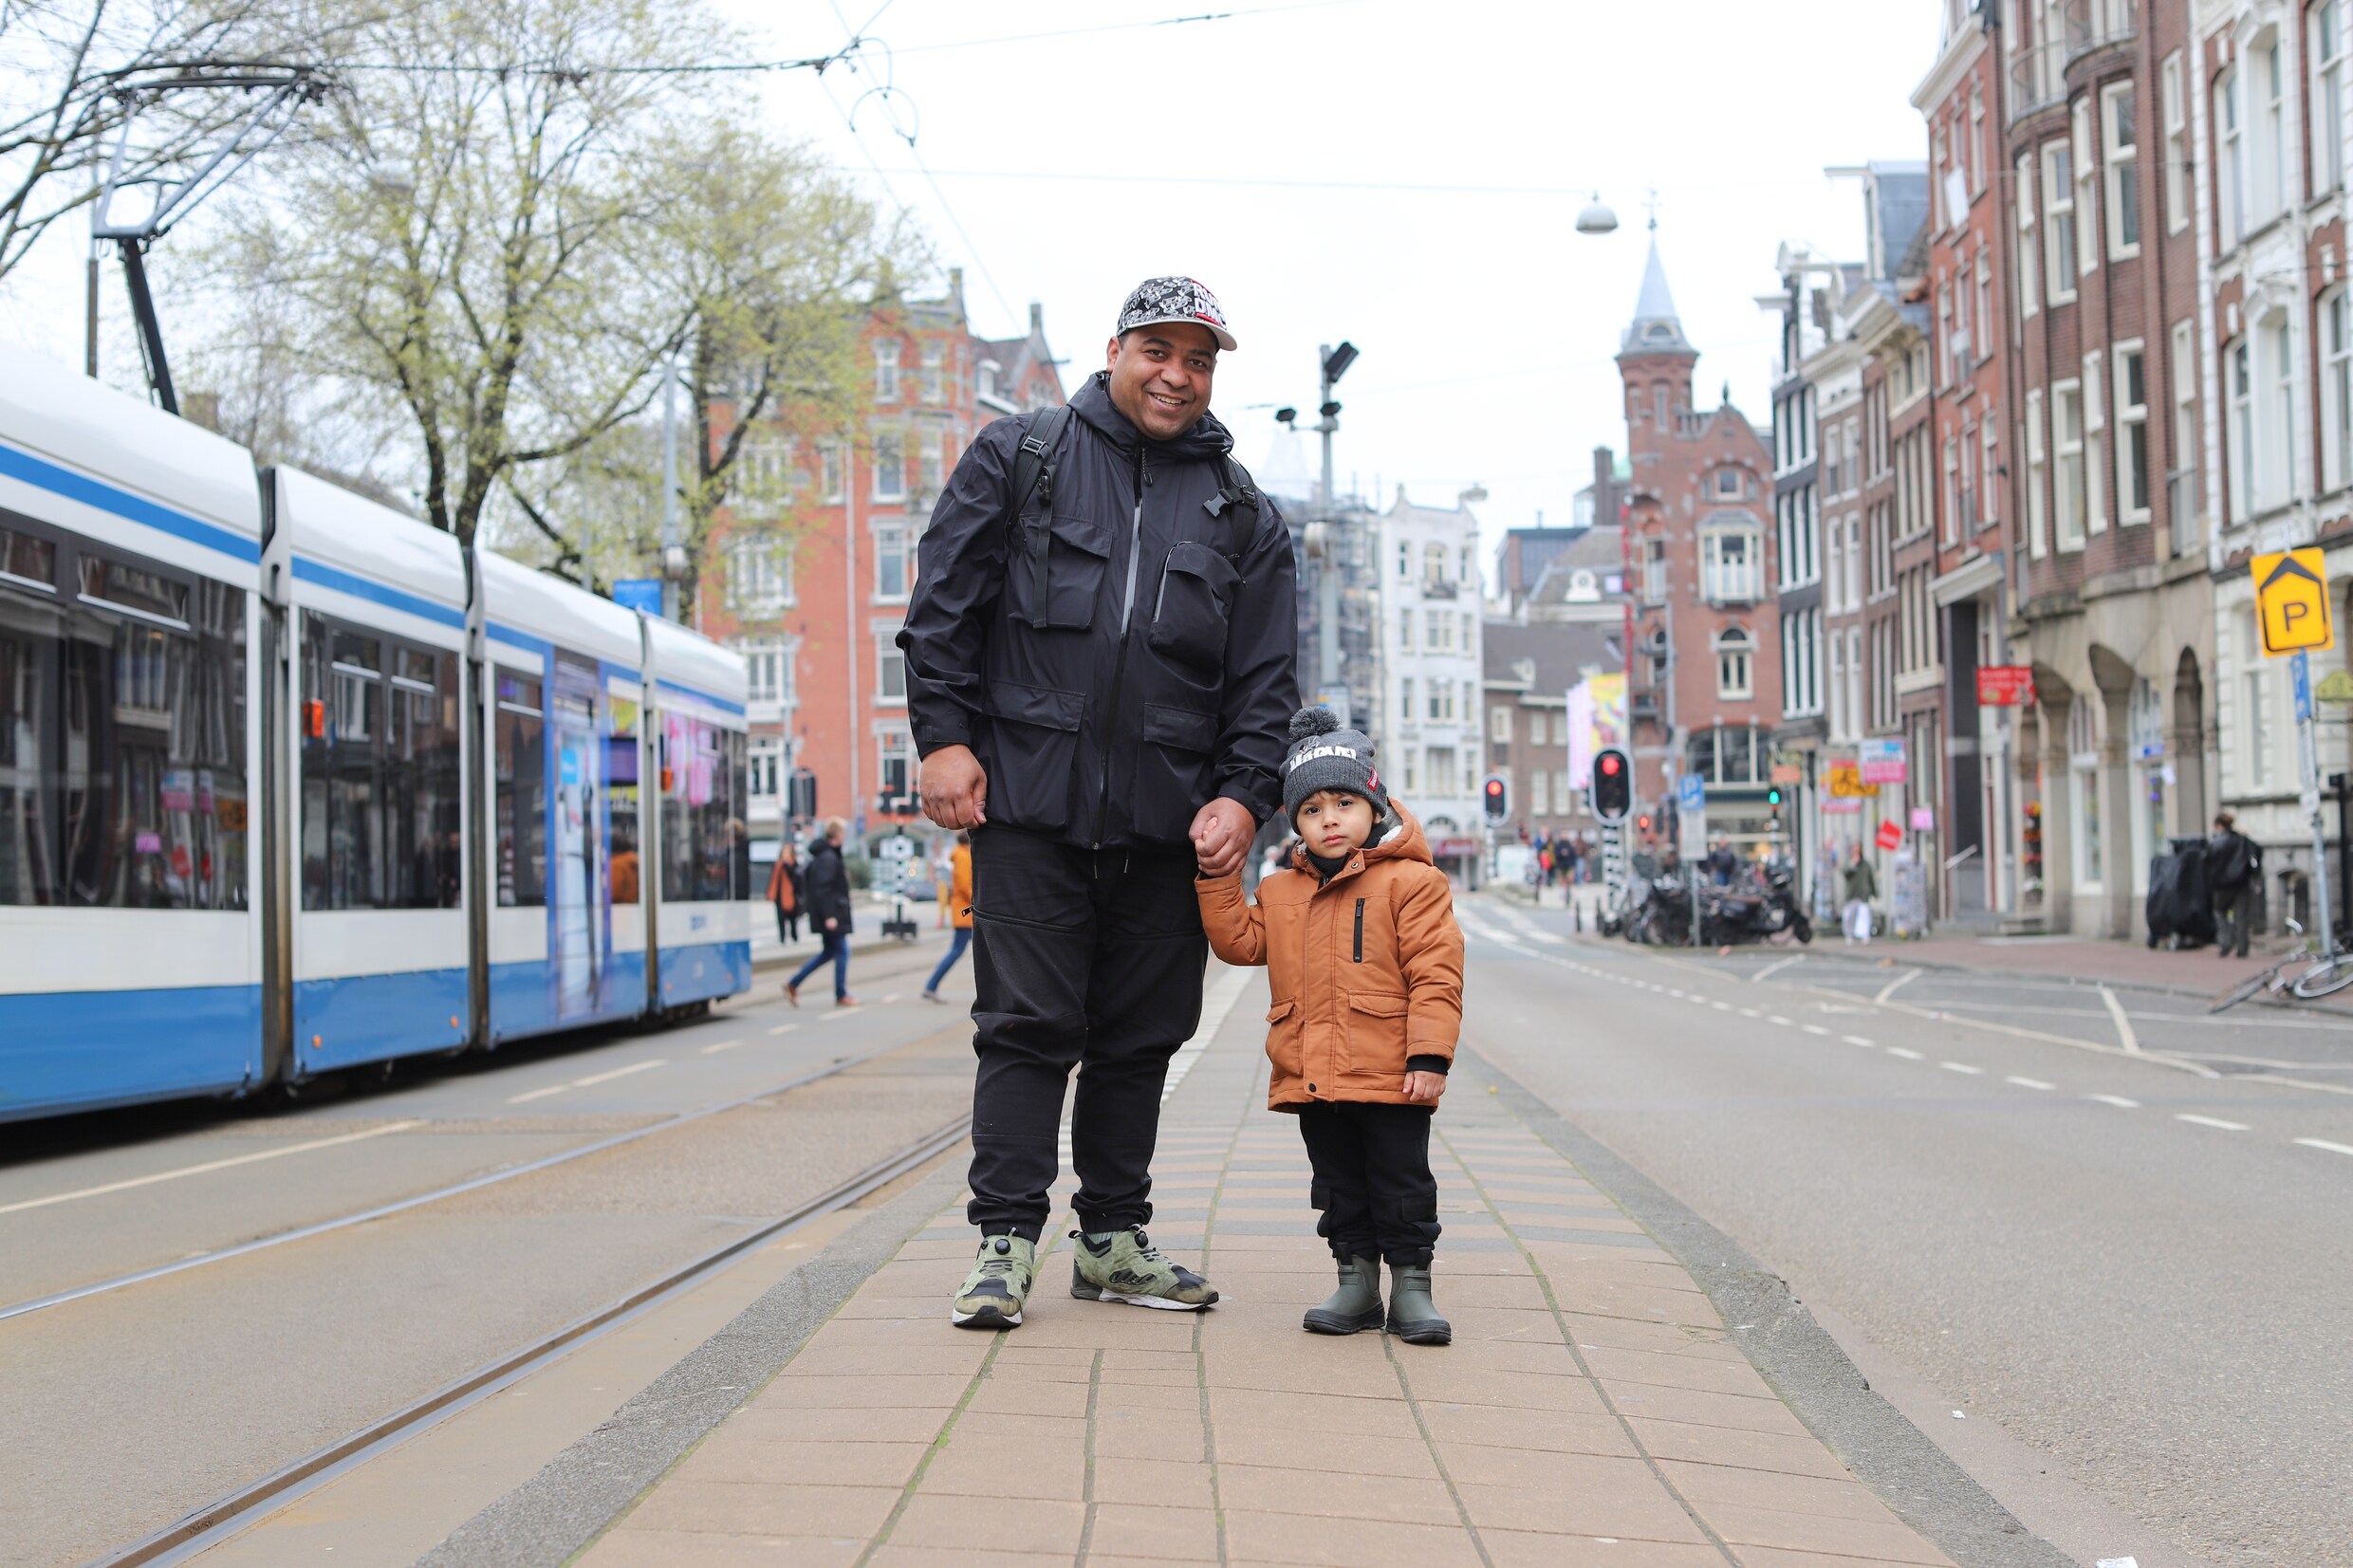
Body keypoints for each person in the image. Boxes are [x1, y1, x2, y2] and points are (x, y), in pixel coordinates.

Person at [900, 276, 1298, 1330]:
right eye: (1157, 350)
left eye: (1198, 359)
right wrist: (942, 739)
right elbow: (942, 610)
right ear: (1115, 348)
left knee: (1139, 1037)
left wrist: (1244, 798)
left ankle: (1112, 1241)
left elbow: (1265, 685)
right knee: (1027, 1030)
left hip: (1168, 829)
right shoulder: (1019, 457)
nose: (1176, 375)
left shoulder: (1244, 515)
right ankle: (1002, 1245)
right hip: (1026, 807)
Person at [1197, 709, 1463, 1345]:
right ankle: (1356, 1281)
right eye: (1312, 809)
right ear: (1295, 822)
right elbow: (1240, 941)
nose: (1330, 819)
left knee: (1402, 1182)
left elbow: (1436, 971)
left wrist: (1428, 1056)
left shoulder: (1412, 882)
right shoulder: (1283, 889)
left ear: (1375, 805)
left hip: (1394, 1073)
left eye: (1345, 802)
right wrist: (1216, 876)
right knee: (1338, 1183)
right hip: (1316, 1072)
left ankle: (1413, 1287)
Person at [786, 819, 858, 1006]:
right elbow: (823, 888)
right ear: (837, 834)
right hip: (831, 915)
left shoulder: (825, 855)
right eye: (843, 832)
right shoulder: (828, 858)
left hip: (829, 913)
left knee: (828, 953)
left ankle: (793, 983)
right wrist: (829, 916)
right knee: (842, 951)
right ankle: (841, 994)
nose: (845, 836)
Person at [922, 833, 974, 1002]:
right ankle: (931, 985)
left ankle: (931, 986)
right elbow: (965, 884)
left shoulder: (962, 854)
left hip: (965, 911)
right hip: (966, 912)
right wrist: (979, 901)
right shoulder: (963, 856)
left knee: (978, 951)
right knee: (960, 950)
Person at [2209, 810, 2262, 958]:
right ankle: (2242, 948)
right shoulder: (2242, 840)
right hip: (2241, 882)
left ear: (2219, 826)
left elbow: (2208, 862)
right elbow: (2257, 852)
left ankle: (2226, 942)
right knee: (2241, 916)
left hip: (2222, 885)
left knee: (2220, 913)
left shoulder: (2216, 843)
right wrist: (2253, 873)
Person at [766, 840, 800, 944]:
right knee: (781, 918)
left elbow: (795, 878)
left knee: (792, 919)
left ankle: (794, 937)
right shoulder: (777, 865)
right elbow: (773, 880)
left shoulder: (794, 865)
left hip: (792, 895)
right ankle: (782, 938)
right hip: (780, 896)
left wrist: (786, 865)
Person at [1841, 845, 1877, 944]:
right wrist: (1853, 865)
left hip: (1863, 894)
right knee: (1849, 916)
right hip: (1851, 894)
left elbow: (1871, 879)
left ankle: (1864, 935)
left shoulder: (1866, 865)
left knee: (1864, 915)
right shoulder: (1849, 863)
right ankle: (1849, 935)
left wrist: (1874, 893)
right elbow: (1844, 872)